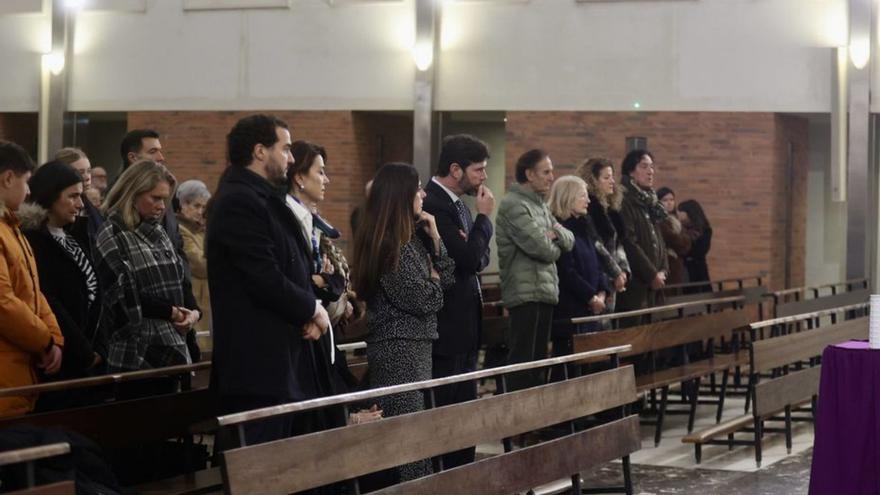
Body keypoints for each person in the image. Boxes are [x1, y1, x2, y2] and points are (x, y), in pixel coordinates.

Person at [207, 114, 331, 445]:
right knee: (261, 470)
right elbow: (262, 276)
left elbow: (294, 265)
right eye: (286, 149)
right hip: (256, 365)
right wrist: (312, 309)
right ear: (260, 151)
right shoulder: (238, 201)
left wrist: (309, 310)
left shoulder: (263, 198)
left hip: (278, 360)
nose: (290, 159)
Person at [351, 163, 455, 482]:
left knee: (416, 437)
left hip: (416, 346)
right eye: (418, 189)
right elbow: (422, 299)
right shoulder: (389, 245)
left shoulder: (411, 239)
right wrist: (434, 283)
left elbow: (446, 278)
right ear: (401, 195)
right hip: (399, 351)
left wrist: (436, 239)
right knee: (406, 441)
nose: (423, 194)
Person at [422, 134, 494, 469]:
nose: (484, 177)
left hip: (466, 329)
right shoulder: (432, 204)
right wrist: (483, 220)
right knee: (447, 421)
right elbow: (467, 259)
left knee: (465, 418)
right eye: (478, 170)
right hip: (446, 330)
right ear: (455, 169)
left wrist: (475, 238)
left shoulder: (459, 206)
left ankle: (463, 478)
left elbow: (480, 259)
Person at [93, 160, 200, 373]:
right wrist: (172, 312)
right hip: (135, 355)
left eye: (165, 199)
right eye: (156, 198)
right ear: (133, 194)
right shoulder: (112, 233)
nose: (162, 206)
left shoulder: (159, 233)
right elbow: (124, 295)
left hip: (174, 347)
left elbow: (180, 281)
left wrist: (193, 313)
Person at [19, 161, 103, 387]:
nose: (80, 204)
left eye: (81, 196)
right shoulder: (35, 240)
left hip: (88, 352)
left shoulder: (74, 235)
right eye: (73, 196)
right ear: (50, 196)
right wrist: (84, 351)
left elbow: (94, 288)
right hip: (61, 357)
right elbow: (50, 300)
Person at [496, 149, 573, 391]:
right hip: (524, 293)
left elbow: (569, 239)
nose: (552, 177)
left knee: (539, 361)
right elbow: (543, 249)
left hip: (545, 290)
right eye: (546, 172)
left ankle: (535, 421)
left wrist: (555, 235)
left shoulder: (540, 206)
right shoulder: (513, 204)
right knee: (522, 362)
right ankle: (517, 422)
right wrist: (553, 241)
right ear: (529, 174)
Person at [0, 141, 64, 418]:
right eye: (26, 182)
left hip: (17, 368)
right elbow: (3, 303)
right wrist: (45, 341)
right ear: (8, 178)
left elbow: (34, 292)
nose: (28, 191)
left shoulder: (12, 227)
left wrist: (54, 338)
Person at [547, 175, 609, 370]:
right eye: (583, 195)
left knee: (591, 367)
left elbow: (596, 262)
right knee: (570, 370)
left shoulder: (583, 225)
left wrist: (602, 291)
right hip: (570, 309)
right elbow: (566, 271)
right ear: (568, 197)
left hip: (590, 308)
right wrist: (591, 296)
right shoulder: (559, 228)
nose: (588, 200)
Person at [616, 149, 668, 323]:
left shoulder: (649, 202)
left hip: (653, 284)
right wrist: (652, 274)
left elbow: (659, 240)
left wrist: (663, 270)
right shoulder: (625, 200)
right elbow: (629, 242)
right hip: (635, 286)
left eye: (652, 167)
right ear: (631, 171)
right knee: (634, 340)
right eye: (644, 166)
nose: (650, 171)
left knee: (652, 341)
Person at [579, 157, 630, 316]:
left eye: (612, 177)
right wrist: (616, 272)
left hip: (613, 280)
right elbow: (596, 244)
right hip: (598, 278)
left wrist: (623, 271)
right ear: (593, 180)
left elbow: (619, 243)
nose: (612, 181)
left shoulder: (611, 209)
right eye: (606, 177)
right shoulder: (589, 209)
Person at [175, 180, 212, 335]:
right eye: (196, 206)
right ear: (183, 205)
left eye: (203, 207)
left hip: (207, 299)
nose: (200, 211)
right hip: (196, 299)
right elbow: (201, 265)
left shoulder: (201, 230)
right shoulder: (181, 230)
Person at [55, 147, 104, 244]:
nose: (87, 177)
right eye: (80, 172)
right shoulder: (59, 210)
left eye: (89, 171)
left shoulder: (89, 206)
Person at [656, 187, 691, 287]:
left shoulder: (676, 220)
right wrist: (681, 241)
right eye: (665, 200)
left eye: (671, 200)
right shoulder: (660, 220)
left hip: (678, 265)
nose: (669, 203)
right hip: (666, 264)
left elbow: (687, 242)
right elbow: (672, 239)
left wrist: (682, 241)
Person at [678, 199, 713, 292]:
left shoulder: (705, 230)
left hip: (698, 271)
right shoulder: (678, 229)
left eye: (682, 212)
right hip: (683, 272)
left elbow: (699, 251)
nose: (680, 216)